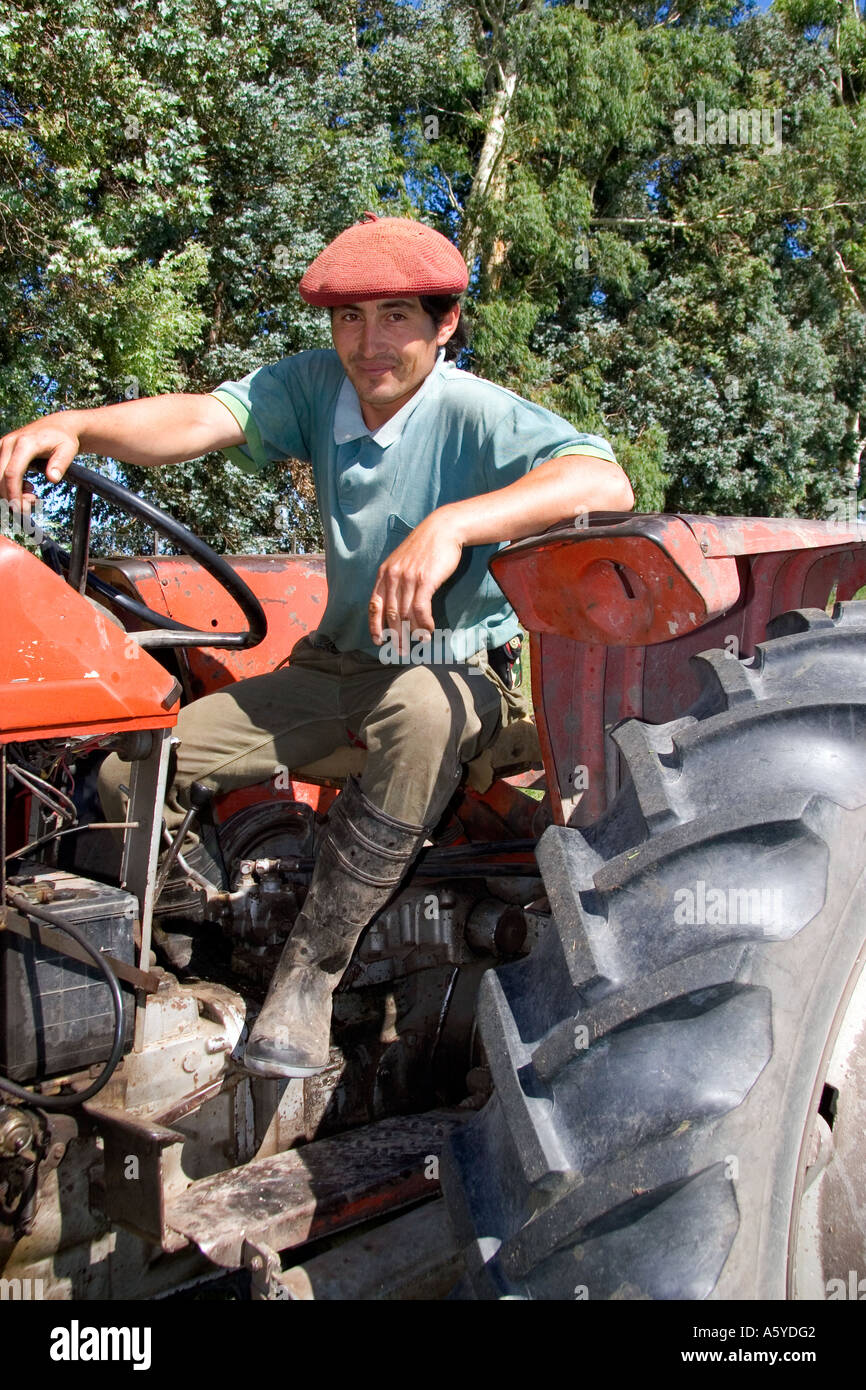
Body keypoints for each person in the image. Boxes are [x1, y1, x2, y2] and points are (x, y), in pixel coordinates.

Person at [0, 213, 634, 1078]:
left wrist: (454, 525)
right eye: (348, 318)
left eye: (396, 317)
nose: (369, 344)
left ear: (445, 324)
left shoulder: (473, 412)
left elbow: (604, 479)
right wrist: (80, 424)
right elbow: (201, 416)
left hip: (455, 671)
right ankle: (152, 970)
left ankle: (311, 973)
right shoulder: (314, 389)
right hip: (336, 668)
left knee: (417, 714)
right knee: (130, 771)